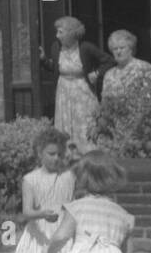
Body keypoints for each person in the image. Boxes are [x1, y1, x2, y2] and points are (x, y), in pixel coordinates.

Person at [40, 16, 114, 155]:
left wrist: (97, 73)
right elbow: (56, 68)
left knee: (85, 124)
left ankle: (89, 158)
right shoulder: (56, 47)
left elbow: (109, 61)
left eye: (60, 32)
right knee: (65, 127)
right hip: (63, 93)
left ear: (71, 33)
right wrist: (44, 60)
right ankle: (67, 157)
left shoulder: (86, 47)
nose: (57, 35)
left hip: (82, 92)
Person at [101, 29, 151, 102]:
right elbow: (105, 102)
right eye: (115, 49)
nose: (118, 51)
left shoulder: (145, 68)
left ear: (130, 49)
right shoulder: (108, 75)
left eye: (122, 48)